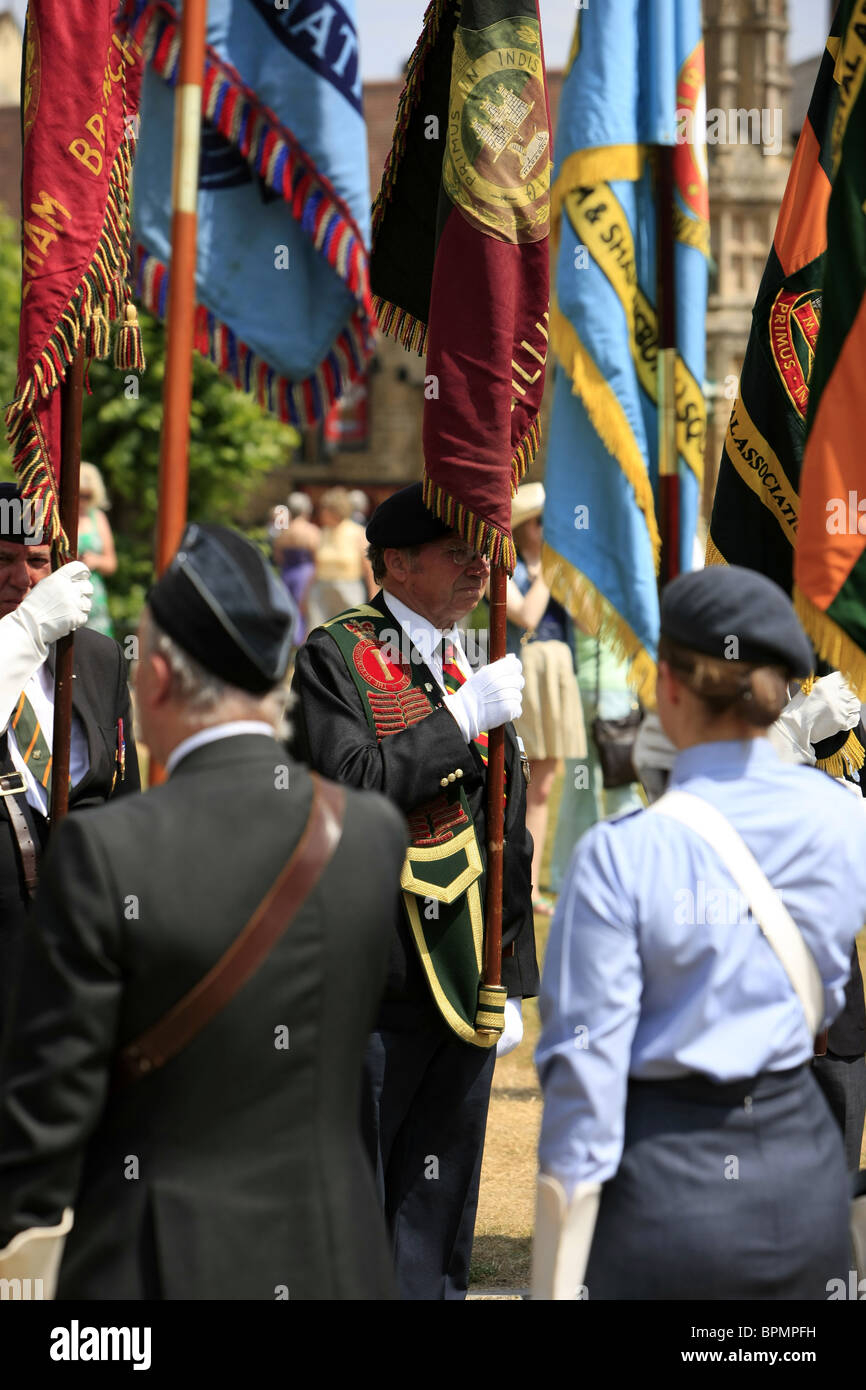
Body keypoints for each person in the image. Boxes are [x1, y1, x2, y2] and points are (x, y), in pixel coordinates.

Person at [0, 523, 407, 1300]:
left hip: (156, 1267)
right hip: (337, 1257)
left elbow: (46, 1124)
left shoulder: (104, 855)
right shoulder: (369, 833)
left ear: (153, 678)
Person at [533, 565, 866, 1300]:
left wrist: (556, 1268)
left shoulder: (620, 854)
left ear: (670, 688)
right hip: (804, 1166)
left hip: (662, 1179)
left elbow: (584, 1078)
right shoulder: (847, 818)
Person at [291, 482, 539, 1300]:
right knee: (364, 1194)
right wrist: (460, 720)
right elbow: (351, 780)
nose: (478, 567)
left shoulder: (469, 650)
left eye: (481, 550)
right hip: (383, 976)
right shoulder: (336, 654)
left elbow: (507, 824)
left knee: (438, 1208)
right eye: (456, 552)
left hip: (469, 977)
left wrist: (511, 967)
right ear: (397, 563)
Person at [0, 482, 139, 1027]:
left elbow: (122, 797)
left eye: (37, 562)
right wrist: (26, 633)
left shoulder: (98, 657)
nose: (21, 578)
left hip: (78, 930)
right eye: (3, 560)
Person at [504, 482, 586, 913]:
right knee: (524, 784)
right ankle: (517, 881)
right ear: (521, 528)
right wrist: (551, 573)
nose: (546, 529)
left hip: (557, 668)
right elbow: (526, 615)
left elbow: (590, 623)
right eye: (539, 522)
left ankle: (531, 887)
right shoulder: (505, 568)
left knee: (544, 786)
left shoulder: (552, 570)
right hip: (526, 670)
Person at [306, 486, 375, 630]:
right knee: (319, 633)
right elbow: (316, 567)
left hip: (349, 592)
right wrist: (304, 596)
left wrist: (374, 599)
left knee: (349, 634)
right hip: (322, 592)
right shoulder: (322, 533)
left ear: (335, 511)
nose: (321, 513)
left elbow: (369, 569)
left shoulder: (357, 533)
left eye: (324, 509)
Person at [270, 491, 319, 645]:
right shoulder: (311, 531)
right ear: (306, 510)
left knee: (287, 608)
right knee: (305, 611)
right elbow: (318, 558)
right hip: (306, 575)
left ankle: (289, 643)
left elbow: (278, 557)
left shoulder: (283, 532)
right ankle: (302, 644)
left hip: (287, 574)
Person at [77, 462, 117, 637]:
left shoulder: (98, 517)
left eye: (87, 495)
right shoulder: (61, 517)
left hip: (96, 600)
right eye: (79, 494)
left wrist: (96, 560)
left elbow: (112, 563)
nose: (82, 500)